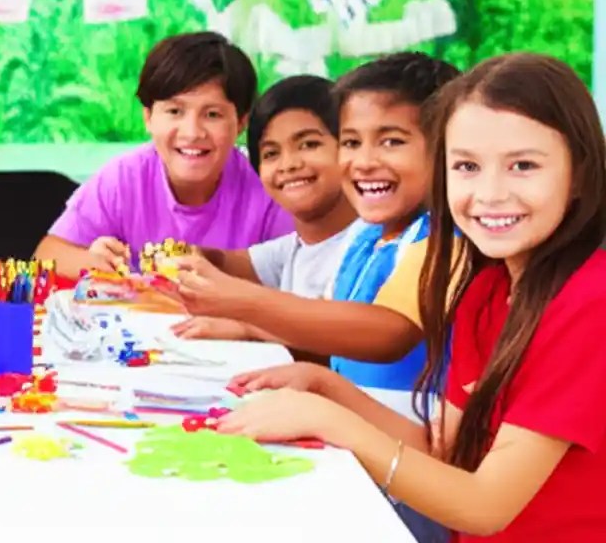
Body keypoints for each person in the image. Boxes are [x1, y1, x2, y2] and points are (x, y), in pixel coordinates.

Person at [219, 54, 606, 541]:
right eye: (466, 166)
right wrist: (327, 387)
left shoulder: (591, 304)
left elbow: (484, 506)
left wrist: (330, 420)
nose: (488, 193)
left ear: (581, 173)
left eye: (523, 166)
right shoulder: (486, 290)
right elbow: (443, 451)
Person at [160, 53, 459, 390]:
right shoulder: (366, 238)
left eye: (391, 141)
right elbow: (339, 347)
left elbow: (390, 332)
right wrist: (250, 329)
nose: (363, 162)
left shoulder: (443, 237)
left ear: (448, 148)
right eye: (351, 143)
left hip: (402, 438)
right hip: (351, 430)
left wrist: (243, 303)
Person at [34, 32, 294, 278]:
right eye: (174, 111)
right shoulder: (123, 177)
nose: (192, 133)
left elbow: (296, 273)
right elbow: (47, 255)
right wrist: (95, 261)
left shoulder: (267, 183)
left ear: (241, 122)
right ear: (148, 117)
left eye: (212, 114)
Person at [173, 75, 357, 341]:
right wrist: (184, 257)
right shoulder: (297, 245)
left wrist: (248, 329)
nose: (289, 164)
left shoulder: (367, 245)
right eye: (271, 153)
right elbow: (229, 262)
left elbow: (347, 341)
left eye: (309, 144)